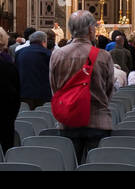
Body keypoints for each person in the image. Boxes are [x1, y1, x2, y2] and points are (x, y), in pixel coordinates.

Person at [49, 10, 116, 163]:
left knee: (71, 164)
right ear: (92, 30)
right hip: (98, 120)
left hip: (68, 120)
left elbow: (54, 88)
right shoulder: (103, 55)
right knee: (96, 166)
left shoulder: (58, 55)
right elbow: (109, 89)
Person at [14, 30, 52, 109]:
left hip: (23, 92)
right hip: (43, 94)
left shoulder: (19, 52)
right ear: (44, 41)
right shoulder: (48, 54)